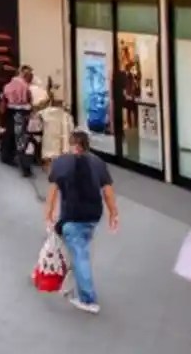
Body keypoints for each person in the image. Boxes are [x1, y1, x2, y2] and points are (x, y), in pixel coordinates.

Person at [44, 130, 119, 314]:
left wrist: (49, 215)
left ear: (72, 144)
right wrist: (113, 214)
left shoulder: (61, 162)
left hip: (72, 217)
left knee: (79, 255)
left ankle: (88, 299)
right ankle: (70, 285)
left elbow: (52, 191)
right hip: (93, 216)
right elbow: (108, 192)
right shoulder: (98, 163)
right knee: (79, 249)